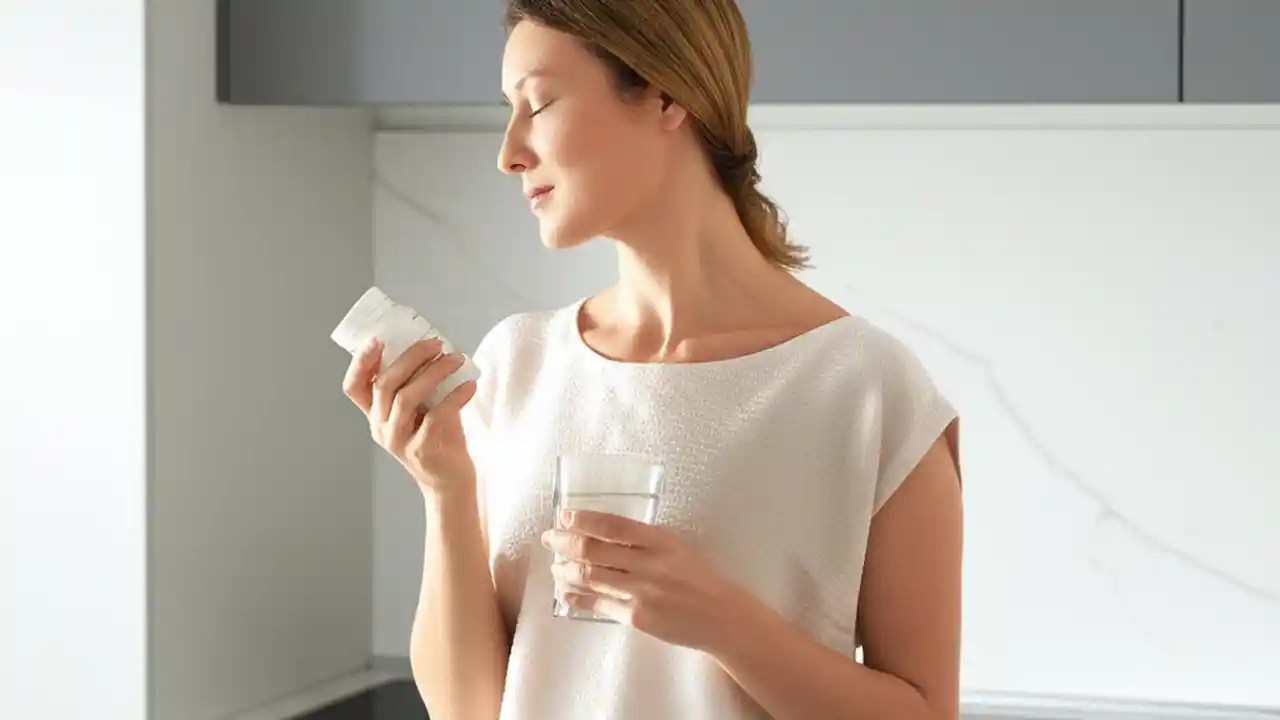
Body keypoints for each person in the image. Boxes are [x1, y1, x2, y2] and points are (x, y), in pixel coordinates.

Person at [342, 1, 964, 718]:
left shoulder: (865, 388)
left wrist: (721, 622)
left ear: (668, 95)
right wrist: (444, 491)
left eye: (538, 103)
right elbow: (469, 710)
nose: (508, 151)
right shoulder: (517, 365)